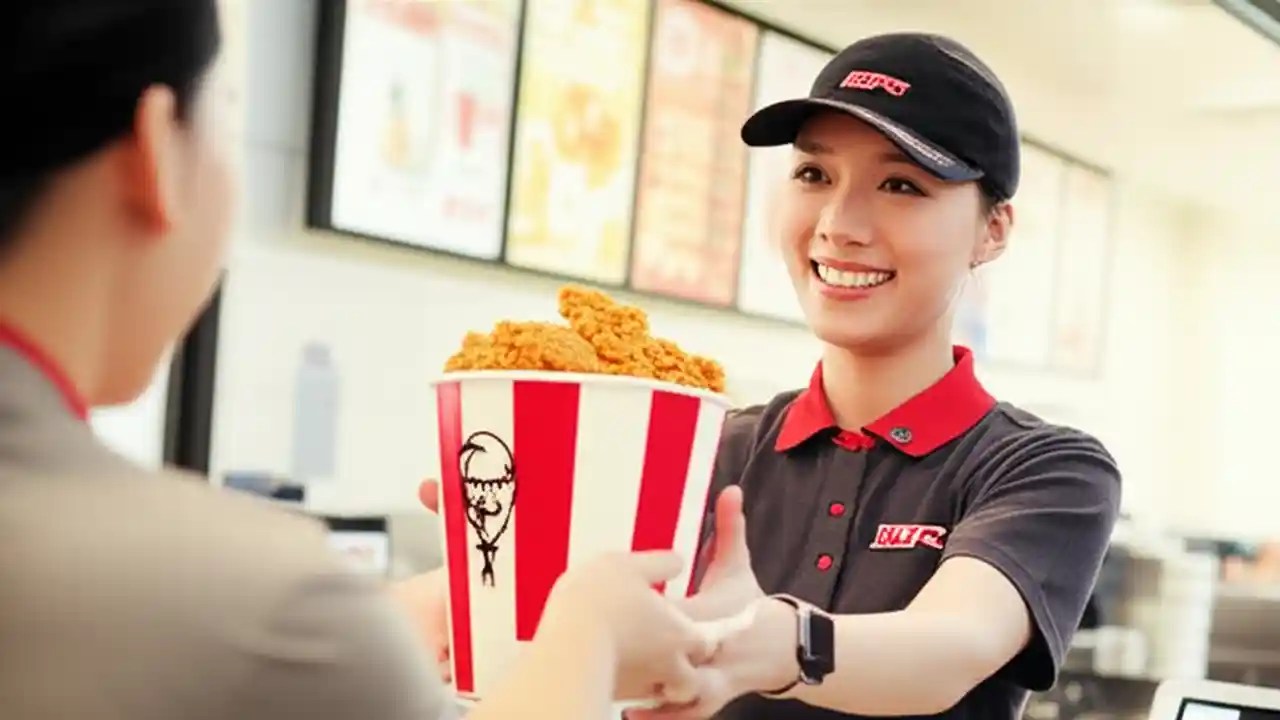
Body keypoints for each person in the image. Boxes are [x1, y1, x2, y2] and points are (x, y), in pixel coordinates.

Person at [0, 2, 711, 718]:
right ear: (156, 150)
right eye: (229, 109)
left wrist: (373, 630)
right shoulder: (266, 605)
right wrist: (585, 642)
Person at [409, 31, 1123, 720]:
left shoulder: (1045, 471)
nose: (841, 223)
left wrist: (766, 643)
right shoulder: (704, 448)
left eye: (902, 184)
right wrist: (497, 575)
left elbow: (952, 645)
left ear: (993, 230)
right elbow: (511, 623)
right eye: (815, 174)